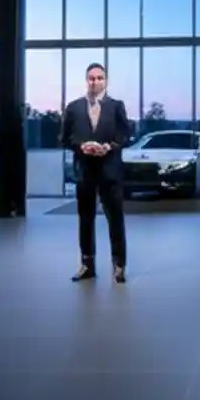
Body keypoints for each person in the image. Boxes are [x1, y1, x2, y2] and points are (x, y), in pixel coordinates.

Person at [61, 62, 130, 283]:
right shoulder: (73, 108)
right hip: (85, 172)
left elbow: (125, 136)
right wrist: (81, 146)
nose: (95, 82)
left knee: (115, 220)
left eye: (99, 78)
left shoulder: (117, 106)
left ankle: (119, 266)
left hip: (110, 172)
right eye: (91, 78)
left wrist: (109, 147)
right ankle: (87, 264)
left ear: (106, 81)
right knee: (86, 219)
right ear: (86, 81)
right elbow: (64, 138)